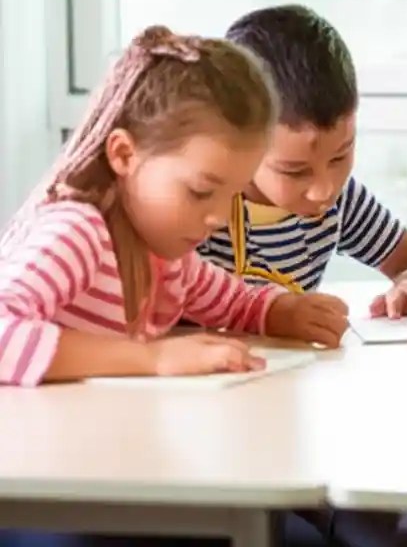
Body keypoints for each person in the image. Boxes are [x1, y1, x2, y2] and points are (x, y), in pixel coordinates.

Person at [0, 26, 348, 389]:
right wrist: (153, 358)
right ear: (124, 155)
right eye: (200, 191)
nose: (218, 218)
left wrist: (281, 312)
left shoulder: (167, 257)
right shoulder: (78, 231)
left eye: (233, 195)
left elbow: (237, 302)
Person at [199, 4, 407, 319]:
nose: (324, 190)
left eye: (341, 155)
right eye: (294, 171)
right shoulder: (201, 210)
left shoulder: (342, 200)